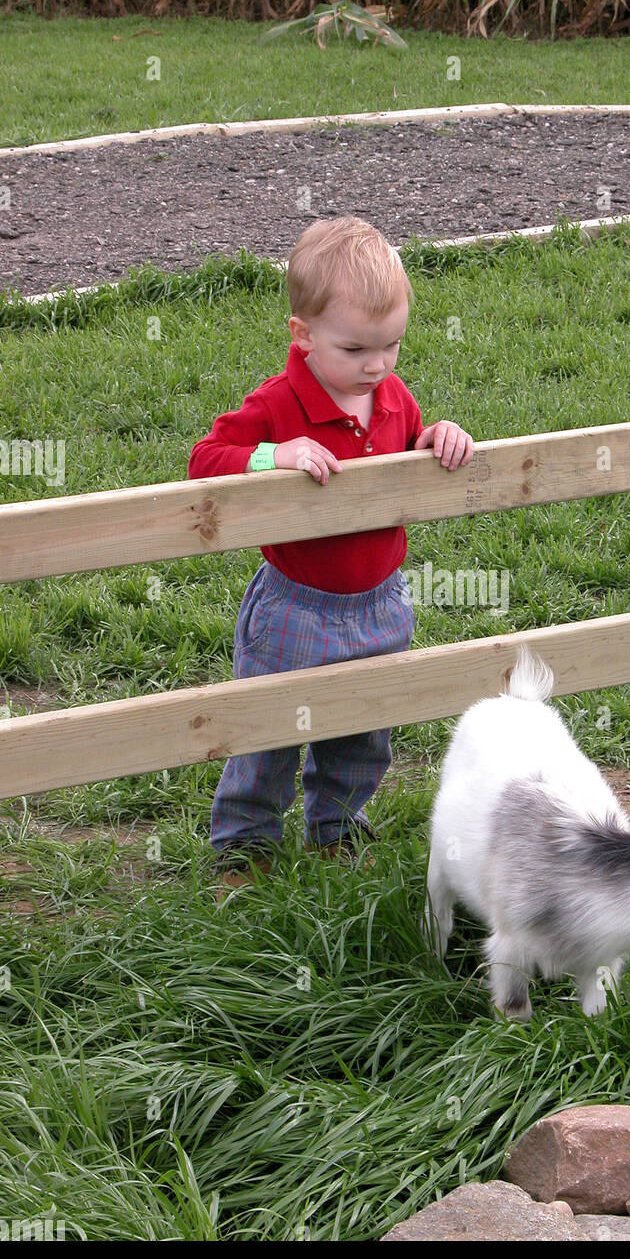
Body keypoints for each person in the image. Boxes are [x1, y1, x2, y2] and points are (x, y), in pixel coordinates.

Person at [188, 216, 474, 880]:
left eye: (391, 345)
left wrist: (436, 437)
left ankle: (337, 828)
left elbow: (404, 451)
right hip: (297, 606)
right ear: (304, 335)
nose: (376, 366)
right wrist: (270, 455)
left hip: (381, 601)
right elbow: (205, 461)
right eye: (355, 350)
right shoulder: (278, 402)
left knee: (364, 730)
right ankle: (245, 846)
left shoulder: (392, 396)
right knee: (267, 733)